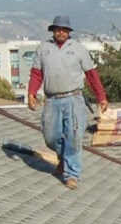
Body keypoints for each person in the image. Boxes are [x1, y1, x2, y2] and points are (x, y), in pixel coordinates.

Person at [26, 15, 109, 189]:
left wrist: (101, 96)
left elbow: (91, 75)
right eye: (58, 29)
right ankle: (63, 159)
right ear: (53, 30)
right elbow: (36, 74)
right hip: (52, 99)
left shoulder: (78, 49)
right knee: (50, 136)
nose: (61, 32)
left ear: (69, 32)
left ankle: (72, 174)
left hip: (74, 98)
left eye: (64, 29)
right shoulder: (43, 49)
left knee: (73, 137)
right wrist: (31, 93)